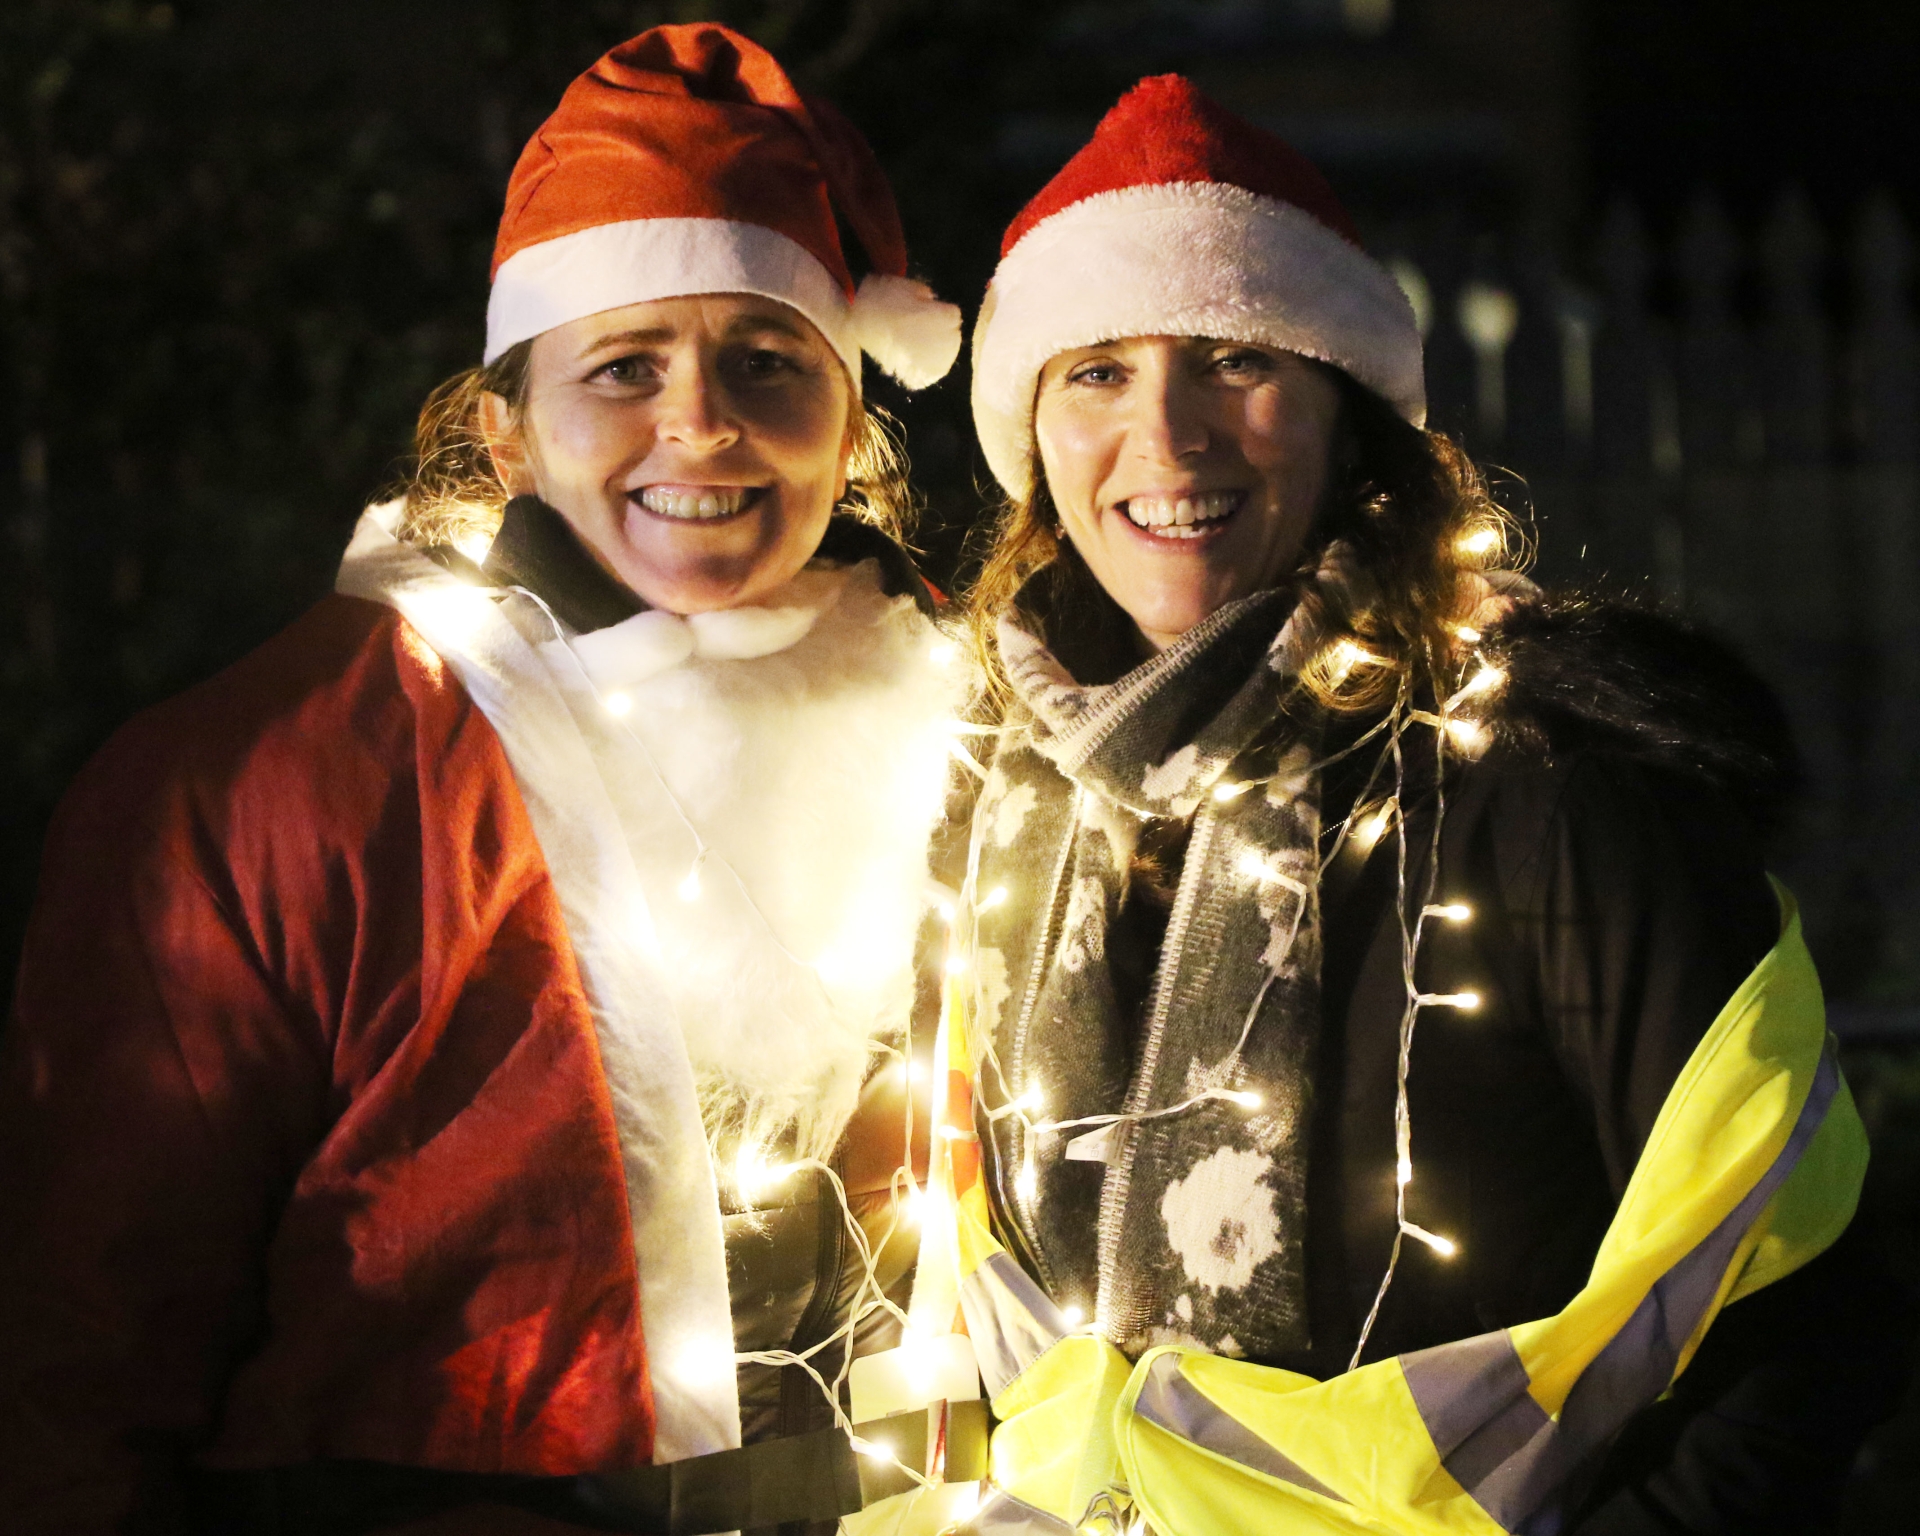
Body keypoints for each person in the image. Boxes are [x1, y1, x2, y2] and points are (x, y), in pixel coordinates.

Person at [0, 25, 968, 1535]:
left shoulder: (961, 730)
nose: (700, 423)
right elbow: (77, 1368)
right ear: (507, 435)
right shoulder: (260, 782)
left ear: (852, 426)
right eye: (625, 367)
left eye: (767, 363)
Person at [926, 75, 1907, 1535]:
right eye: (1098, 373)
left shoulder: (1547, 781)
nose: (1169, 434)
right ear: (1033, 441)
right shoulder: (1005, 808)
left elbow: (1796, 1299)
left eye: (1235, 358)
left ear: (1347, 413)